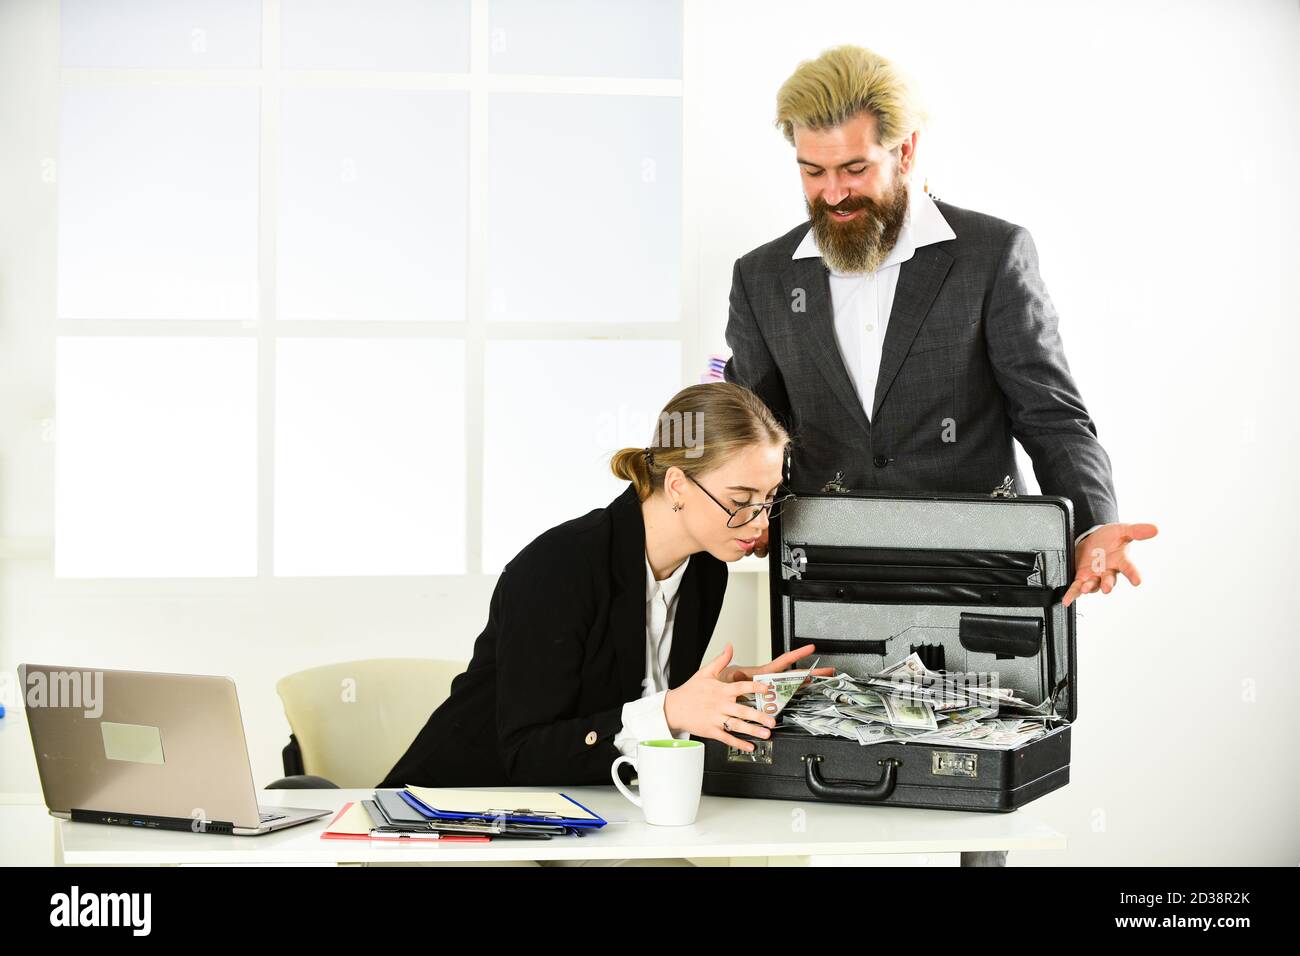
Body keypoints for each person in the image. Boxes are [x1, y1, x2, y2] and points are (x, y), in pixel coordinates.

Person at [723, 44, 1156, 606]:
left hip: (985, 579)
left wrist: (1093, 525)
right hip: (828, 584)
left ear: (906, 151)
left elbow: (1050, 415)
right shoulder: (761, 277)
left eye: (855, 169)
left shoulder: (992, 254)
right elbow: (752, 427)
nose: (833, 193)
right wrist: (738, 506)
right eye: (813, 171)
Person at [377, 382, 833, 866]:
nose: (761, 522)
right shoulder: (559, 565)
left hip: (583, 811)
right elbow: (527, 753)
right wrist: (673, 709)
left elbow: (631, 707)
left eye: (769, 498)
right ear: (677, 486)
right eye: (741, 498)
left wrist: (714, 693)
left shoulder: (705, 572)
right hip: (455, 814)